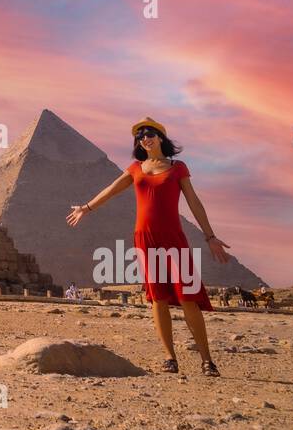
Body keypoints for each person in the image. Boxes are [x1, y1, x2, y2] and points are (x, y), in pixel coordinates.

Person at [65, 117, 232, 376]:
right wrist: (86, 208)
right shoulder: (135, 168)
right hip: (145, 239)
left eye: (150, 133)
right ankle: (170, 358)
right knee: (158, 299)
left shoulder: (178, 168)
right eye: (140, 136)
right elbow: (111, 190)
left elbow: (195, 203)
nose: (145, 138)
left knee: (188, 298)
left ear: (161, 137)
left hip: (174, 239)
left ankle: (207, 360)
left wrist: (210, 237)